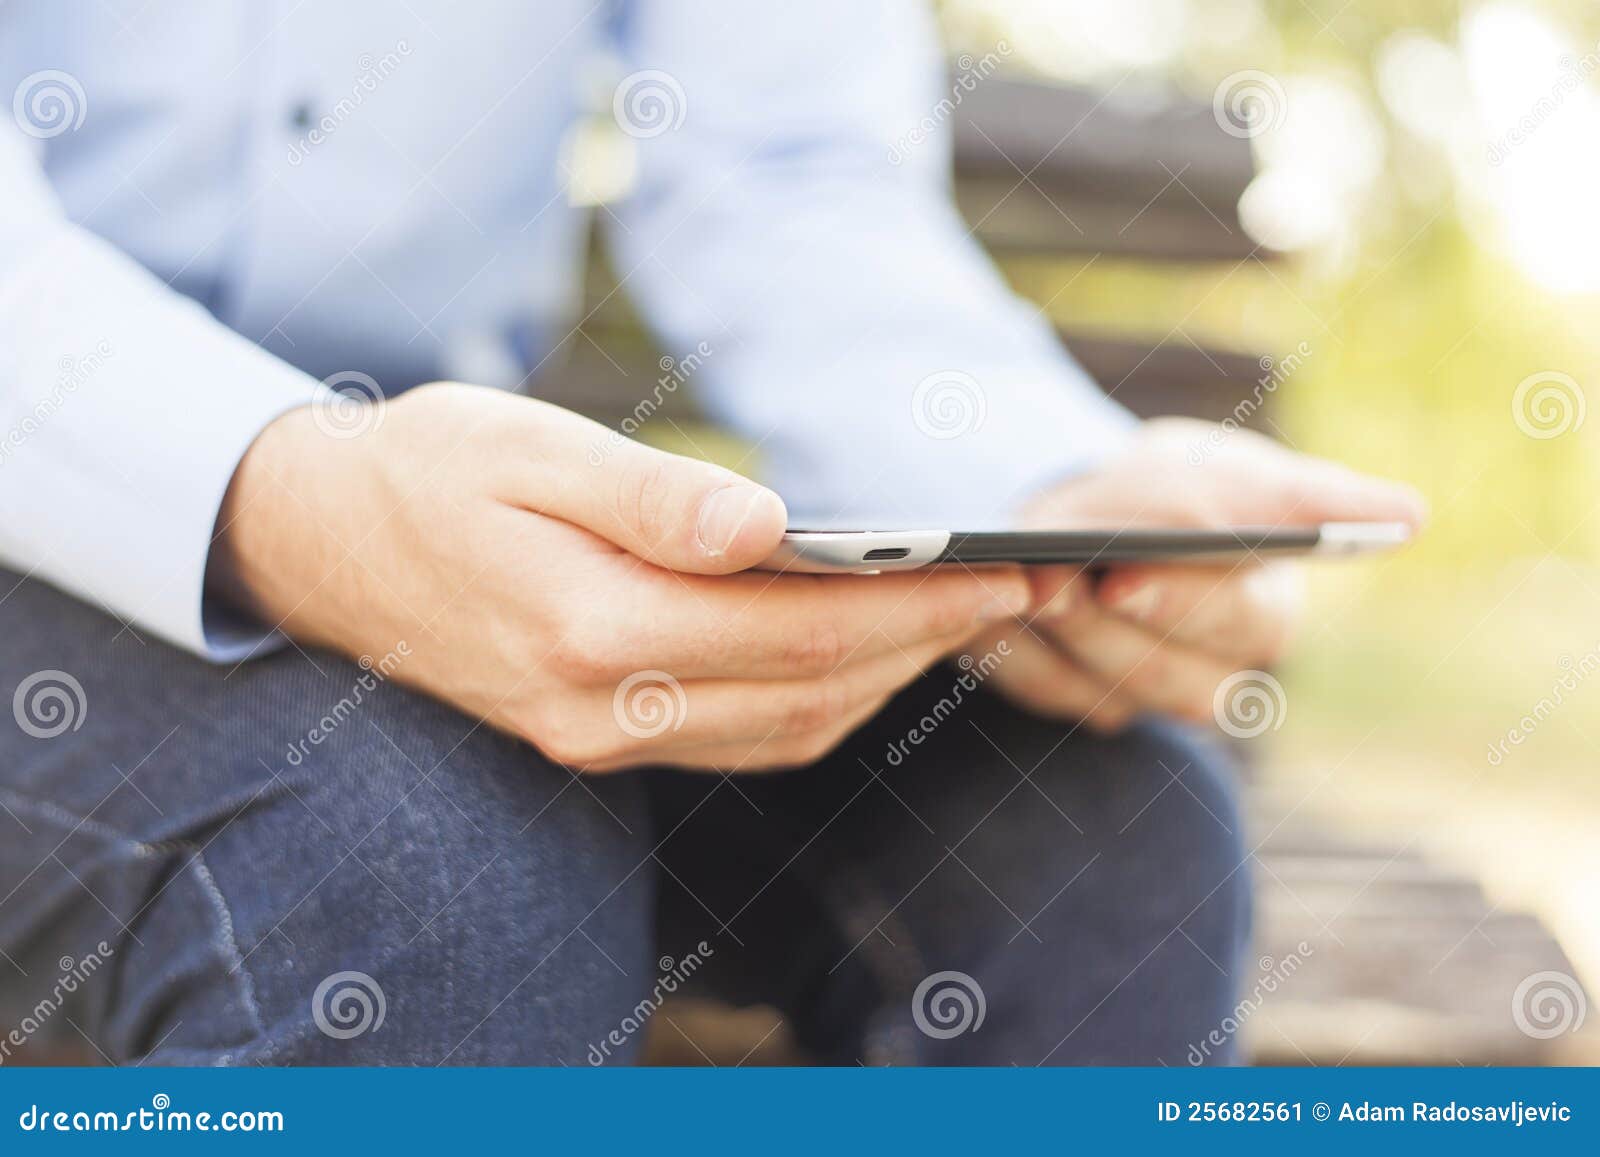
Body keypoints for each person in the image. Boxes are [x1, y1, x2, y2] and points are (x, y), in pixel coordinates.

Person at [0, 2, 1422, 1065]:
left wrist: (1045, 497)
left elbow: (784, 166)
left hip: (464, 523)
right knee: (412, 874)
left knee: (1107, 836)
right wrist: (286, 495)